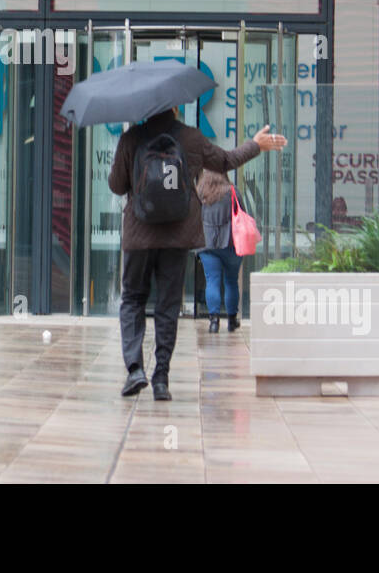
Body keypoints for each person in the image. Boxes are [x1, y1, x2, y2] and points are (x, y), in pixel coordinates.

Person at [110, 108, 286, 401]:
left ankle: (134, 369)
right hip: (177, 236)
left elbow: (116, 186)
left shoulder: (130, 139)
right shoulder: (190, 138)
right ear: (175, 108)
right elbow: (226, 161)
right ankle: (162, 378)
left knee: (132, 299)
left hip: (139, 237)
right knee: (168, 306)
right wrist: (256, 144)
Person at [197, 169, 243, 334]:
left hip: (207, 245)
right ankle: (231, 321)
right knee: (231, 281)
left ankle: (214, 322)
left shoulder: (200, 192)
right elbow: (243, 214)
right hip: (231, 243)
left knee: (212, 281)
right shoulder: (232, 191)